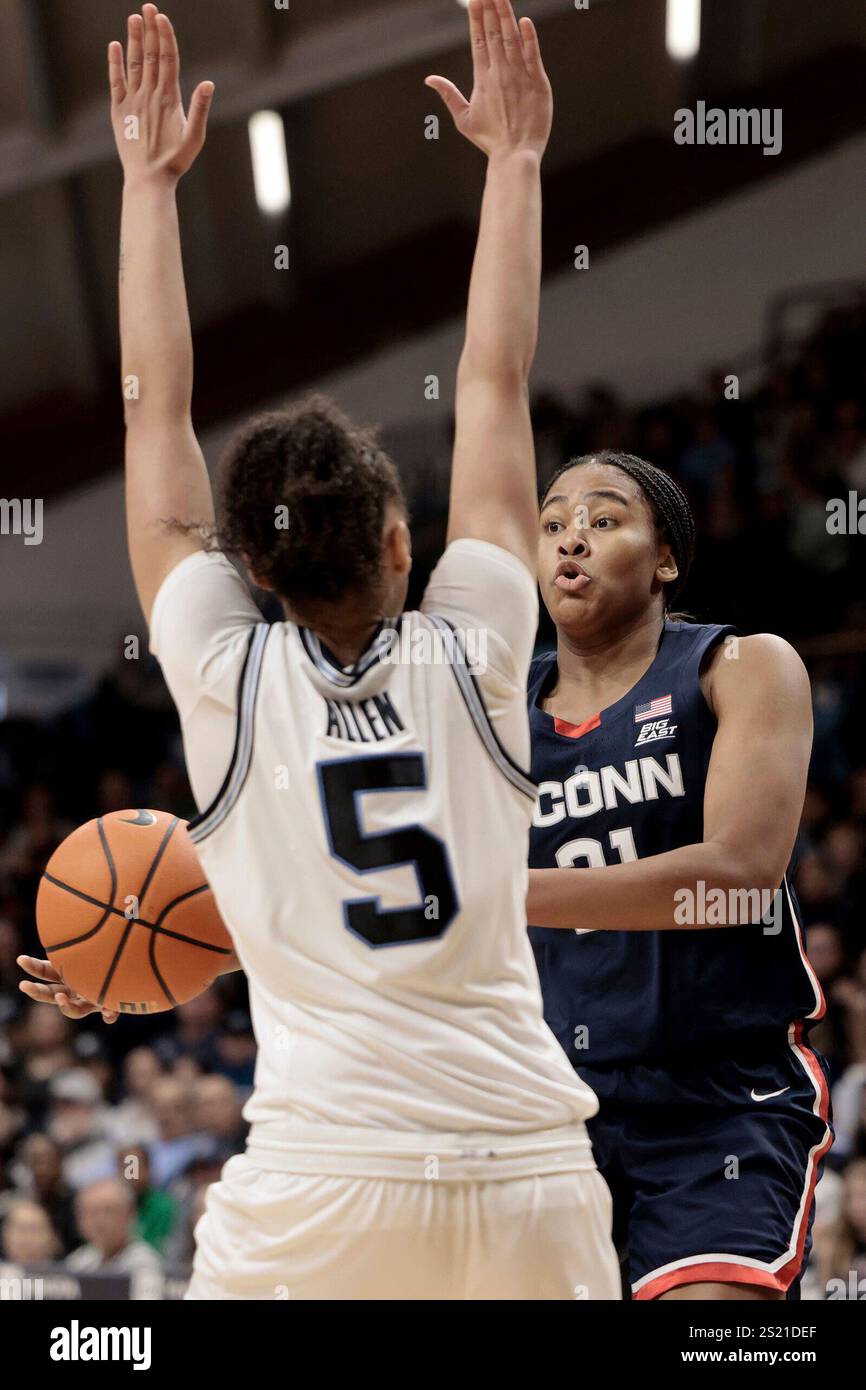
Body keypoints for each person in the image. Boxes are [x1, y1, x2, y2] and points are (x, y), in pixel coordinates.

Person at [23, 1, 618, 1300]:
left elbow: (154, 415)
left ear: (248, 571)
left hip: (321, 1182)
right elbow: (494, 383)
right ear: (403, 543)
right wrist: (514, 162)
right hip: (524, 1165)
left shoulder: (224, 676)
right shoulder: (475, 637)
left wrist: (144, 187)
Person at [525, 450, 833, 1300]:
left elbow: (737, 876)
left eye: (603, 519)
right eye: (552, 525)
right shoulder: (494, 717)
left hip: (719, 1099)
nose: (570, 541)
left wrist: (503, 890)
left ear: (665, 560)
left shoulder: (740, 668)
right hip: (548, 1110)